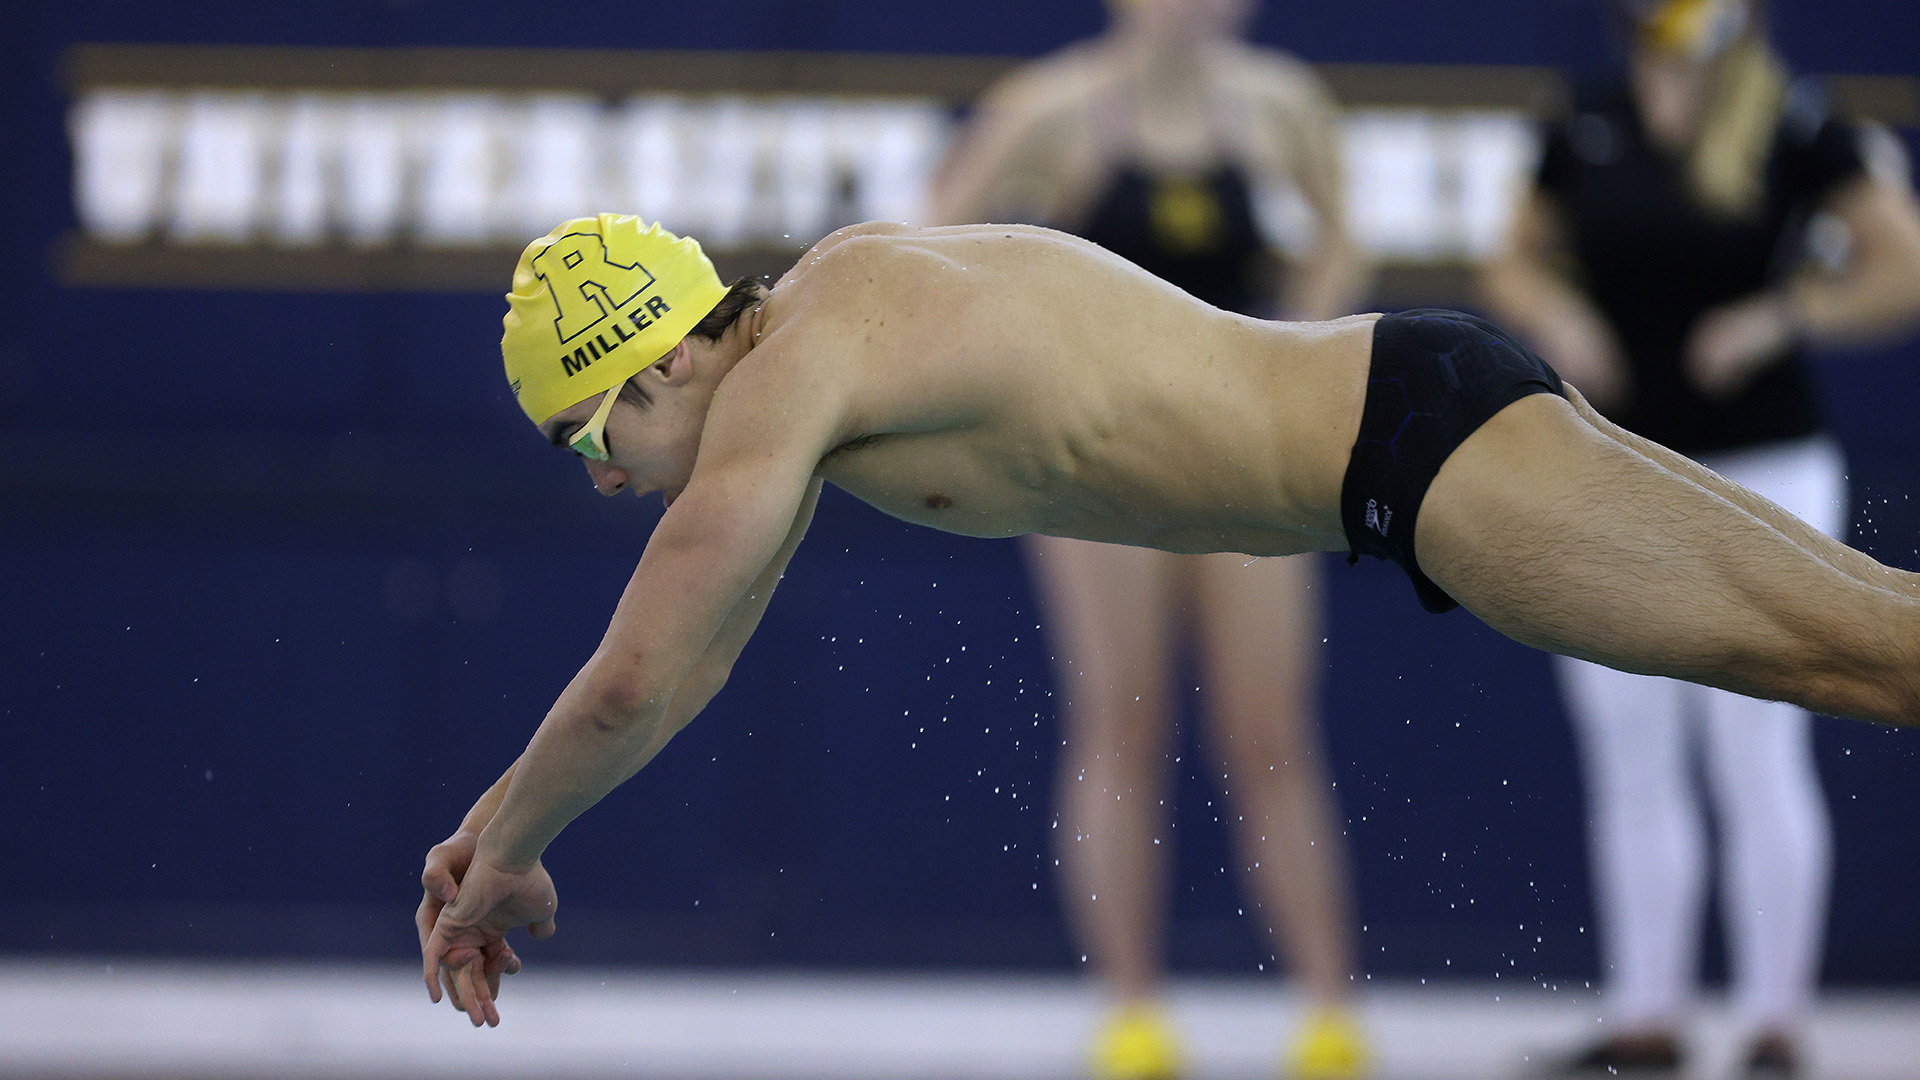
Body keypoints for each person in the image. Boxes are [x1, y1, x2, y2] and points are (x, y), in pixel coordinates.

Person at [417, 212, 1920, 1034]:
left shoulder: (801, 368)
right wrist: (499, 831)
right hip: (1418, 421)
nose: (604, 484)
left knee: (1854, 657)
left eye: (582, 442)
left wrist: (510, 857)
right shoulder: (822, 341)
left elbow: (631, 679)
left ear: (652, 366)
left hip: (1417, 450)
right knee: (1881, 644)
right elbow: (689, 662)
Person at [923, 0, 1371, 1074]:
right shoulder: (1052, 110)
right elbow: (934, 241)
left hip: (1245, 453)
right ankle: (1131, 1012)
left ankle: (1328, 1013)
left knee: (1270, 734)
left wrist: (1292, 351)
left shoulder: (1279, 106)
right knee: (1120, 725)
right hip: (1101, 462)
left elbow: (1345, 242)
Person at [1478, 0, 1920, 1074]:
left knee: (1755, 745)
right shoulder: (1585, 117)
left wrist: (1785, 317)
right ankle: (1650, 1015)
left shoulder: (1798, 123)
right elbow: (1512, 263)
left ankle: (1774, 1020)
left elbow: (1900, 266)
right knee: (1631, 748)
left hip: (1764, 464)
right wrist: (1559, 315)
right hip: (1618, 467)